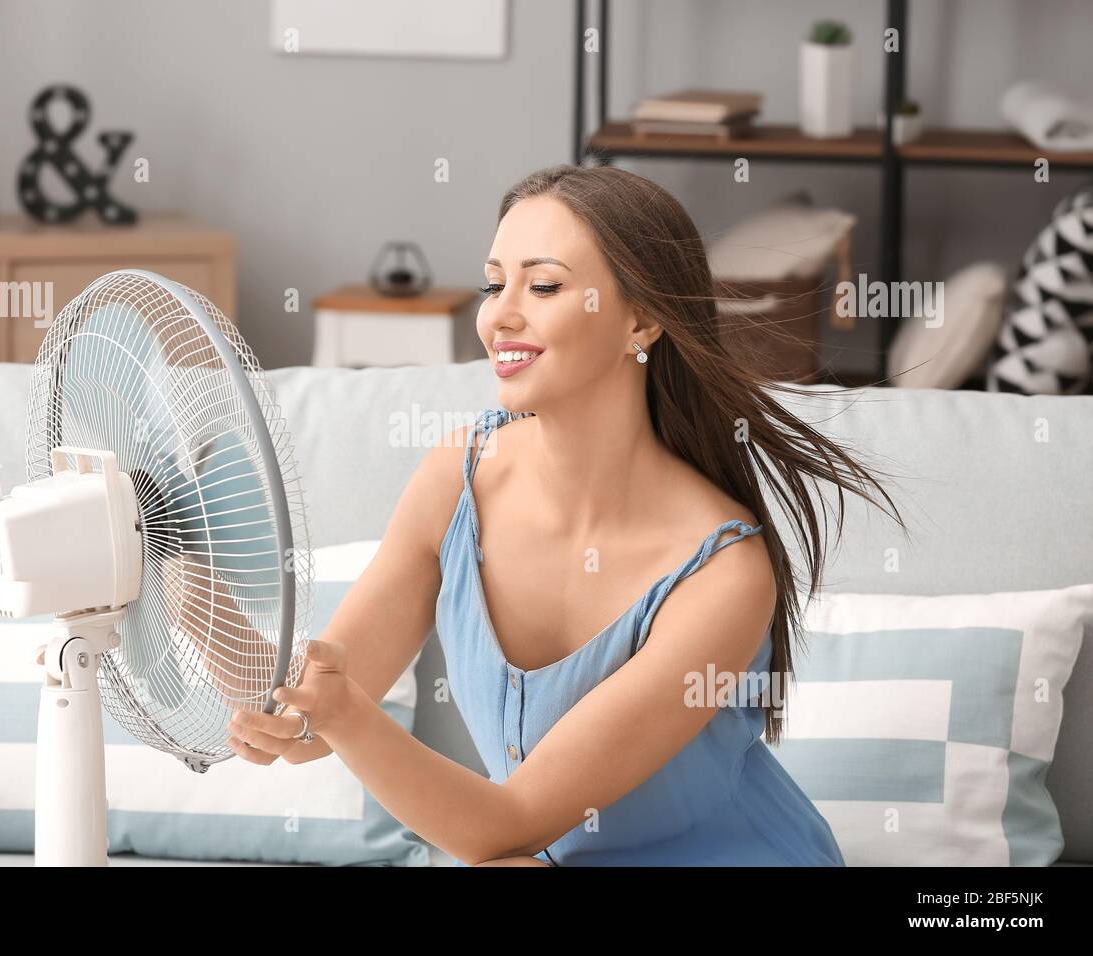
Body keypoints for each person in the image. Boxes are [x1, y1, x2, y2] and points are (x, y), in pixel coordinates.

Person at [222, 164, 905, 866]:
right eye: (495, 284)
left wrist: (340, 715)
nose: (499, 315)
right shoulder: (457, 479)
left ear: (640, 320)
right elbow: (309, 724)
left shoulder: (724, 571)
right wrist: (171, 561)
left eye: (543, 286)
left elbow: (506, 824)